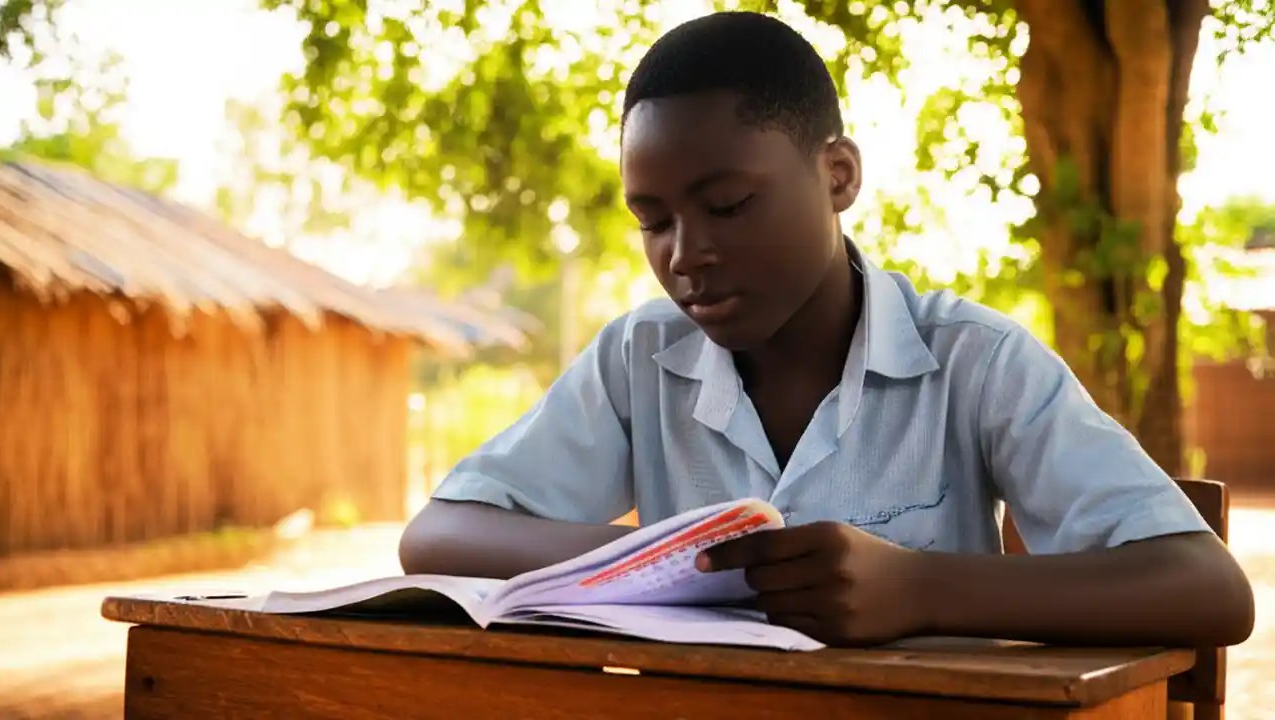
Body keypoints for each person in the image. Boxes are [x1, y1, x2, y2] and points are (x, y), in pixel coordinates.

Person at [399, 11, 1254, 648]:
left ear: (838, 174)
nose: (687, 254)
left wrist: (920, 589)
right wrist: (673, 561)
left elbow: (1208, 589)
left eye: (728, 205)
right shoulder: (640, 360)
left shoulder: (973, 361)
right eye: (652, 220)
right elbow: (438, 536)